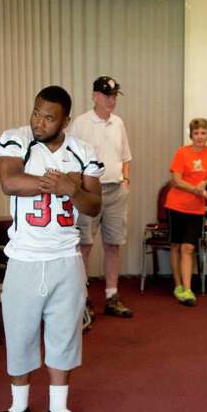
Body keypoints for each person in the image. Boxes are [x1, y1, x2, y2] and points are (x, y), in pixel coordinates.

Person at [0, 85, 103, 412]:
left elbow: (94, 206)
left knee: (64, 334)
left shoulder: (82, 151)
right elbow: (9, 181)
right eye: (36, 112)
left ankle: (59, 408)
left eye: (48, 117)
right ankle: (18, 405)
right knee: (19, 334)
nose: (39, 121)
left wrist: (75, 190)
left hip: (66, 255)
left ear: (65, 120)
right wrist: (60, 184)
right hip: (24, 256)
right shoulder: (15, 139)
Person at [69, 75, 133, 322]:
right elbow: (72, 158)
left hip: (116, 190)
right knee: (84, 245)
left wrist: (126, 181)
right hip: (90, 191)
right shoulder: (81, 124)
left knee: (113, 244)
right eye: (107, 95)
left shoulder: (118, 123)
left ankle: (111, 296)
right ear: (94, 96)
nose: (111, 100)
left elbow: (126, 156)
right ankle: (82, 298)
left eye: (115, 95)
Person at [165, 118, 207, 307]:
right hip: (176, 205)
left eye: (203, 133)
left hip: (196, 208)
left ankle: (187, 290)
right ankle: (178, 285)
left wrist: (204, 184)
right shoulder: (182, 152)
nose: (200, 137)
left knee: (188, 247)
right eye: (196, 133)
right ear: (191, 135)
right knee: (175, 245)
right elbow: (177, 181)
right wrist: (199, 191)